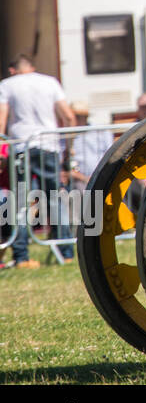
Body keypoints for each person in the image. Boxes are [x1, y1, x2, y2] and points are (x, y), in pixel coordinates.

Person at [0, 55, 75, 266]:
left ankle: (22, 256)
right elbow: (68, 117)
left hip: (21, 145)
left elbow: (1, 118)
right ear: (32, 67)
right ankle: (67, 252)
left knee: (21, 202)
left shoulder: (7, 85)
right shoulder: (50, 82)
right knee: (54, 199)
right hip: (48, 145)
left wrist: (2, 151)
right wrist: (69, 150)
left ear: (12, 70)